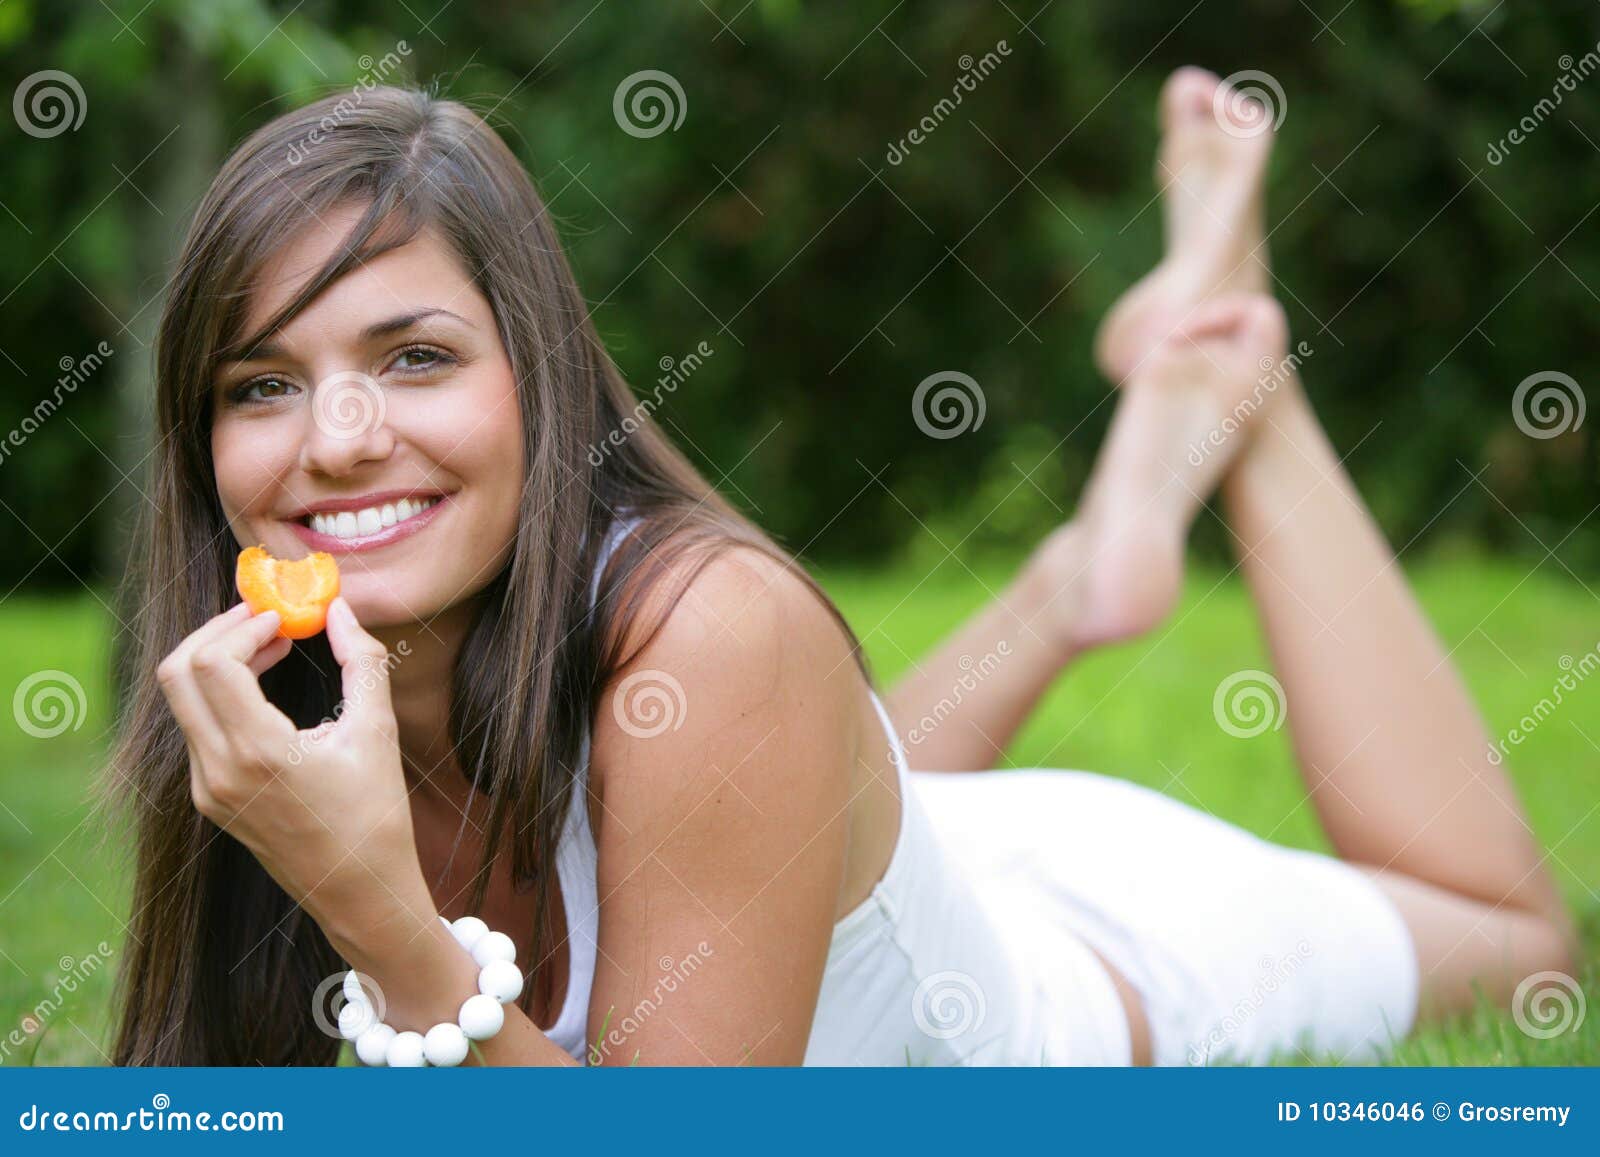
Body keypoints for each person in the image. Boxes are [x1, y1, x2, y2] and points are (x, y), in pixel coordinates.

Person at [102, 74, 1575, 1067]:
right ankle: (1082, 577)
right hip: (867, 849)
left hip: (1109, 940)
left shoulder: (708, 632)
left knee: (1522, 947)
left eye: (416, 357)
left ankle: (1245, 375)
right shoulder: (257, 712)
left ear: (536, 383)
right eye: (261, 384)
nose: (338, 441)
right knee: (794, 791)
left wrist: (375, 911)